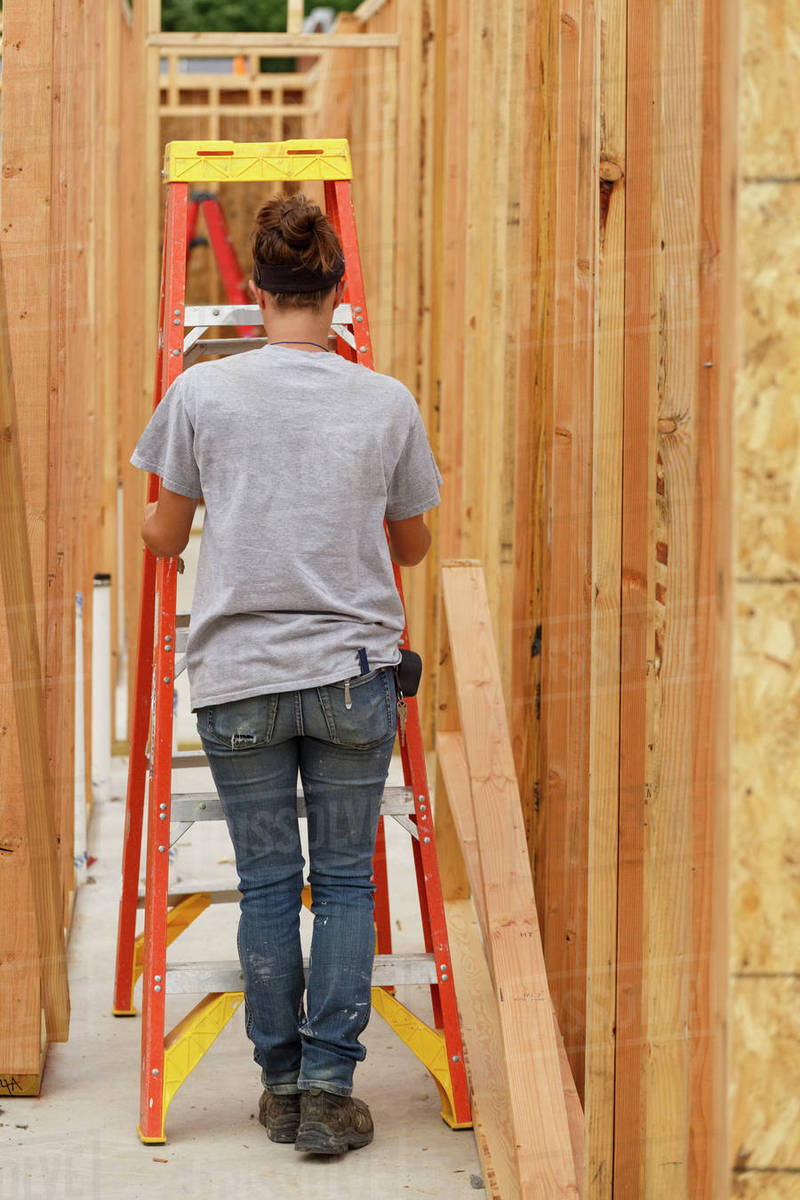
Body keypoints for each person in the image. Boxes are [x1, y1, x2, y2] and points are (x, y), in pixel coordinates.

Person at [130, 193, 441, 1155]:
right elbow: (415, 545)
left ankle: (275, 1086)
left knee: (270, 884)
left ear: (254, 291)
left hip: (241, 677)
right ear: (338, 291)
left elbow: (165, 536)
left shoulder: (201, 392)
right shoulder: (385, 400)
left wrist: (174, 515)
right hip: (353, 674)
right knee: (345, 883)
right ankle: (328, 1090)